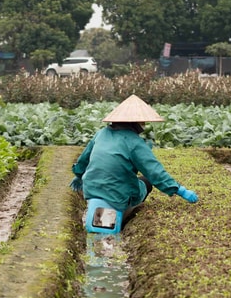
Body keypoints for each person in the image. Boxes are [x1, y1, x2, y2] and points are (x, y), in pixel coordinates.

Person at [71, 95, 198, 232]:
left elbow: (84, 160)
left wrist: (78, 175)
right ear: (135, 123)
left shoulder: (101, 134)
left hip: (92, 189)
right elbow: (154, 171)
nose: (143, 125)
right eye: (142, 122)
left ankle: (101, 218)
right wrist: (180, 190)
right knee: (146, 182)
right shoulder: (134, 142)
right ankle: (126, 216)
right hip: (117, 195)